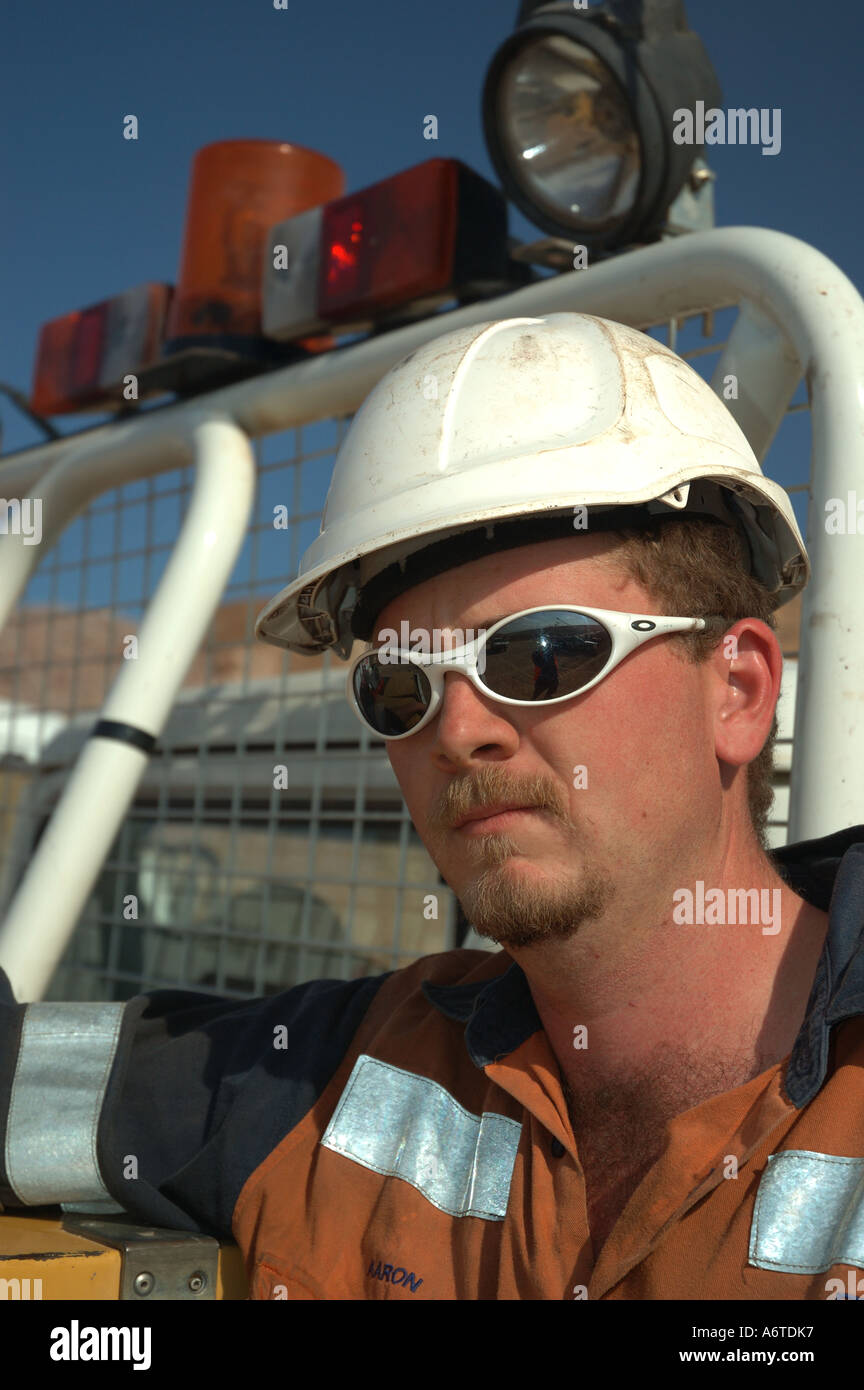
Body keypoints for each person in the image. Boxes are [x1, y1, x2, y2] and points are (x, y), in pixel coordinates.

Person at [1, 312, 862, 1301]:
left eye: (540, 654)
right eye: (401, 687)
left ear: (740, 689)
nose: (457, 731)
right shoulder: (320, 1078)